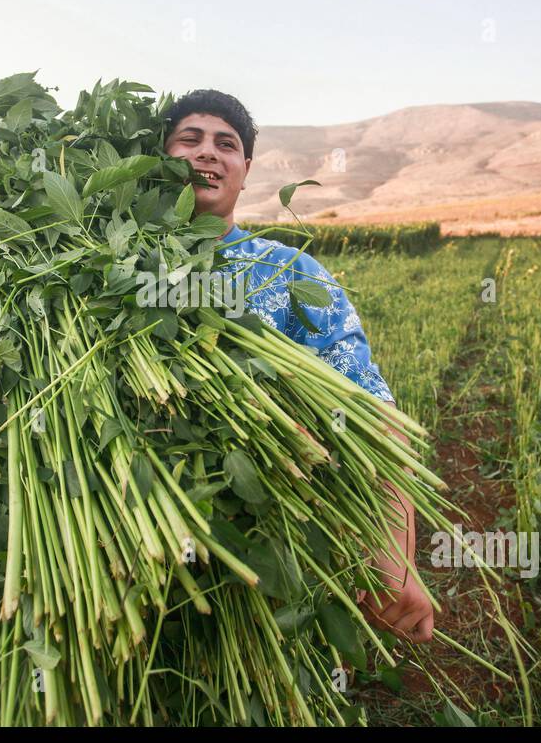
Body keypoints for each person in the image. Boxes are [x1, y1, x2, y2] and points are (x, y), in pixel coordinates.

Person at [163, 89, 435, 644]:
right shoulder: (108, 267)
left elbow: (370, 411)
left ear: (246, 171)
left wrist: (392, 551)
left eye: (226, 145)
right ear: (157, 158)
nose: (208, 153)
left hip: (272, 561)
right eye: (189, 140)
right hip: (138, 552)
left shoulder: (289, 270)